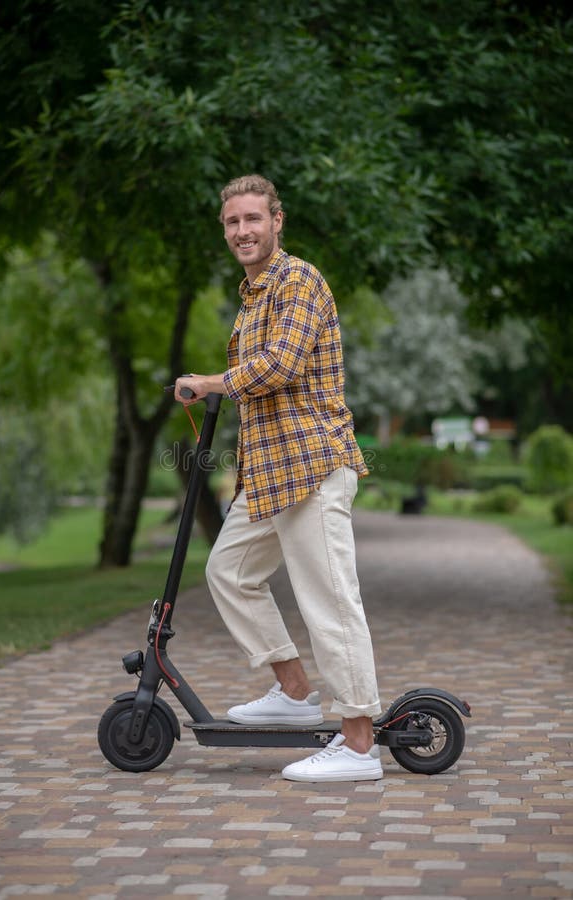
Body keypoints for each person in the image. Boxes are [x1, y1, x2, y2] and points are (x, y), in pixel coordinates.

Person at [174, 174, 383, 783]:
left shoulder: (299, 280)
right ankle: (293, 692)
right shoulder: (253, 294)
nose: (243, 231)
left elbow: (282, 366)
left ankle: (359, 747)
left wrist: (210, 382)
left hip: (312, 466)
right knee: (229, 571)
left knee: (331, 605)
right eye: (232, 222)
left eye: (253, 219)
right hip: (270, 475)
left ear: (277, 221)